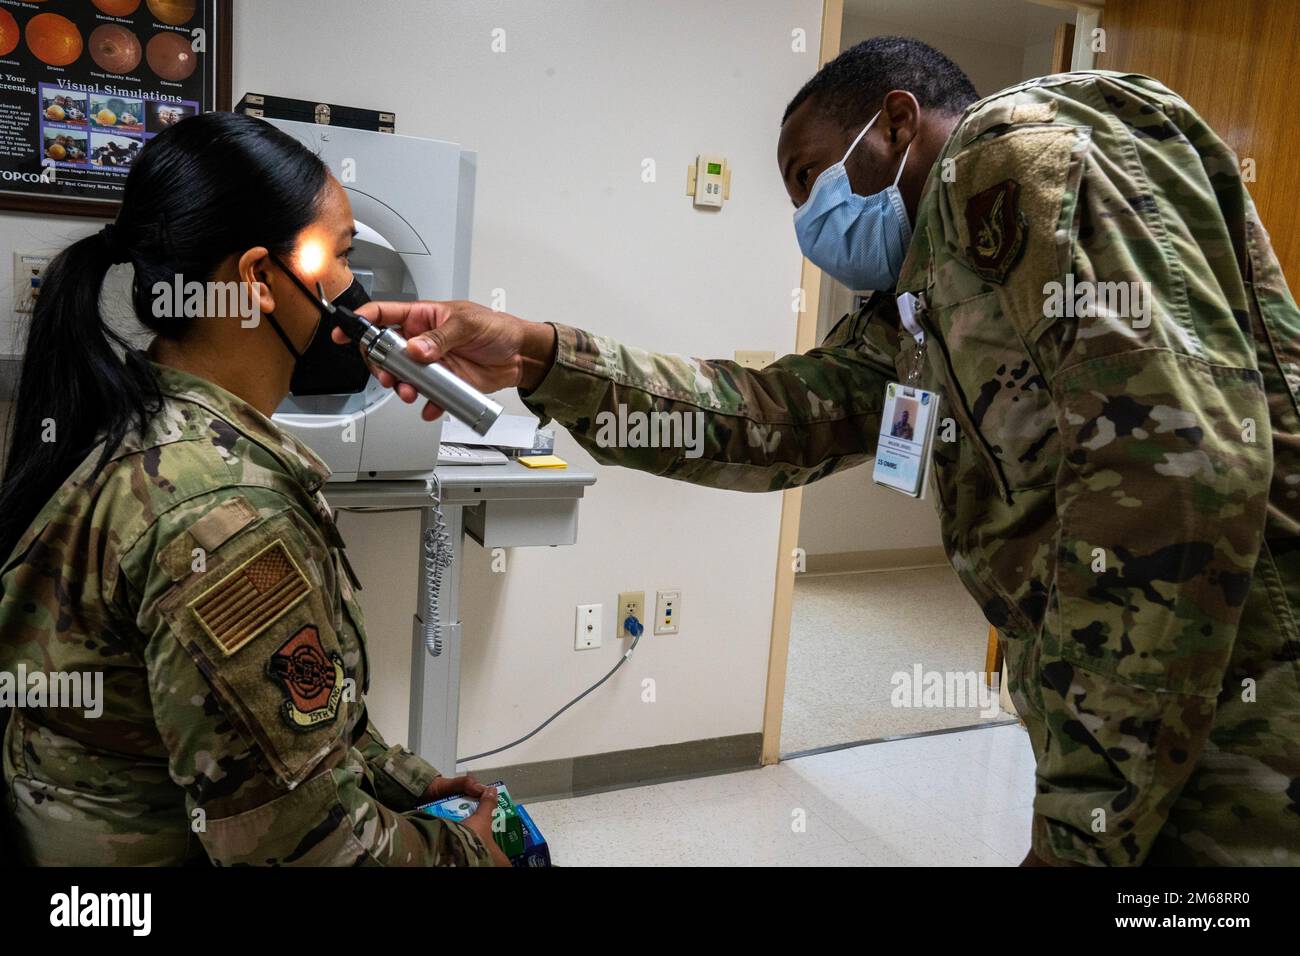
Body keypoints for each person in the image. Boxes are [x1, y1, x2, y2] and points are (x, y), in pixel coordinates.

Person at [348, 38, 1300, 866]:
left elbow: (1178, 477)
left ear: (894, 123)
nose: (809, 218)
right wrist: (542, 354)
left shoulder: (1009, 154)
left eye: (808, 177)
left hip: (1246, 705)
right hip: (1158, 720)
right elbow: (772, 417)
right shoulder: (919, 301)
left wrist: (1082, 831)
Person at [0, 111, 505, 866]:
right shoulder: (224, 519)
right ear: (260, 281)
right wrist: (464, 852)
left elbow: (298, 721)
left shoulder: (149, 421)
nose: (352, 289)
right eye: (337, 257)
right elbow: (301, 851)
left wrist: (411, 787)